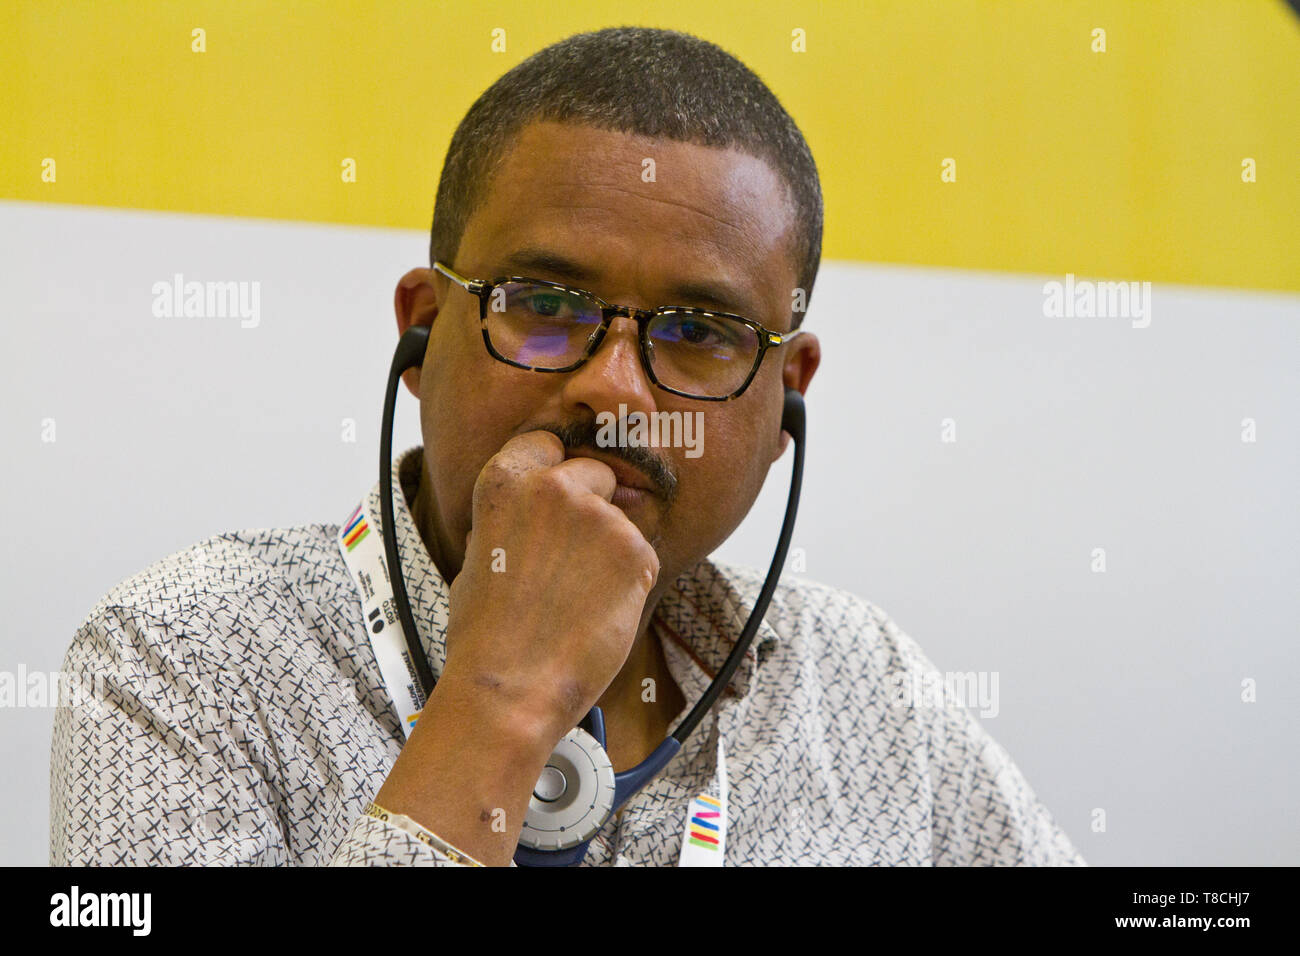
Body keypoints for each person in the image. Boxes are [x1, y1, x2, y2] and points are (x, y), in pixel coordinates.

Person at [50, 26, 1084, 867]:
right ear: (421, 336)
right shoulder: (185, 654)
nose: (613, 385)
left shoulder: (858, 682)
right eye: (543, 306)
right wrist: (499, 698)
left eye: (696, 332)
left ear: (784, 401)